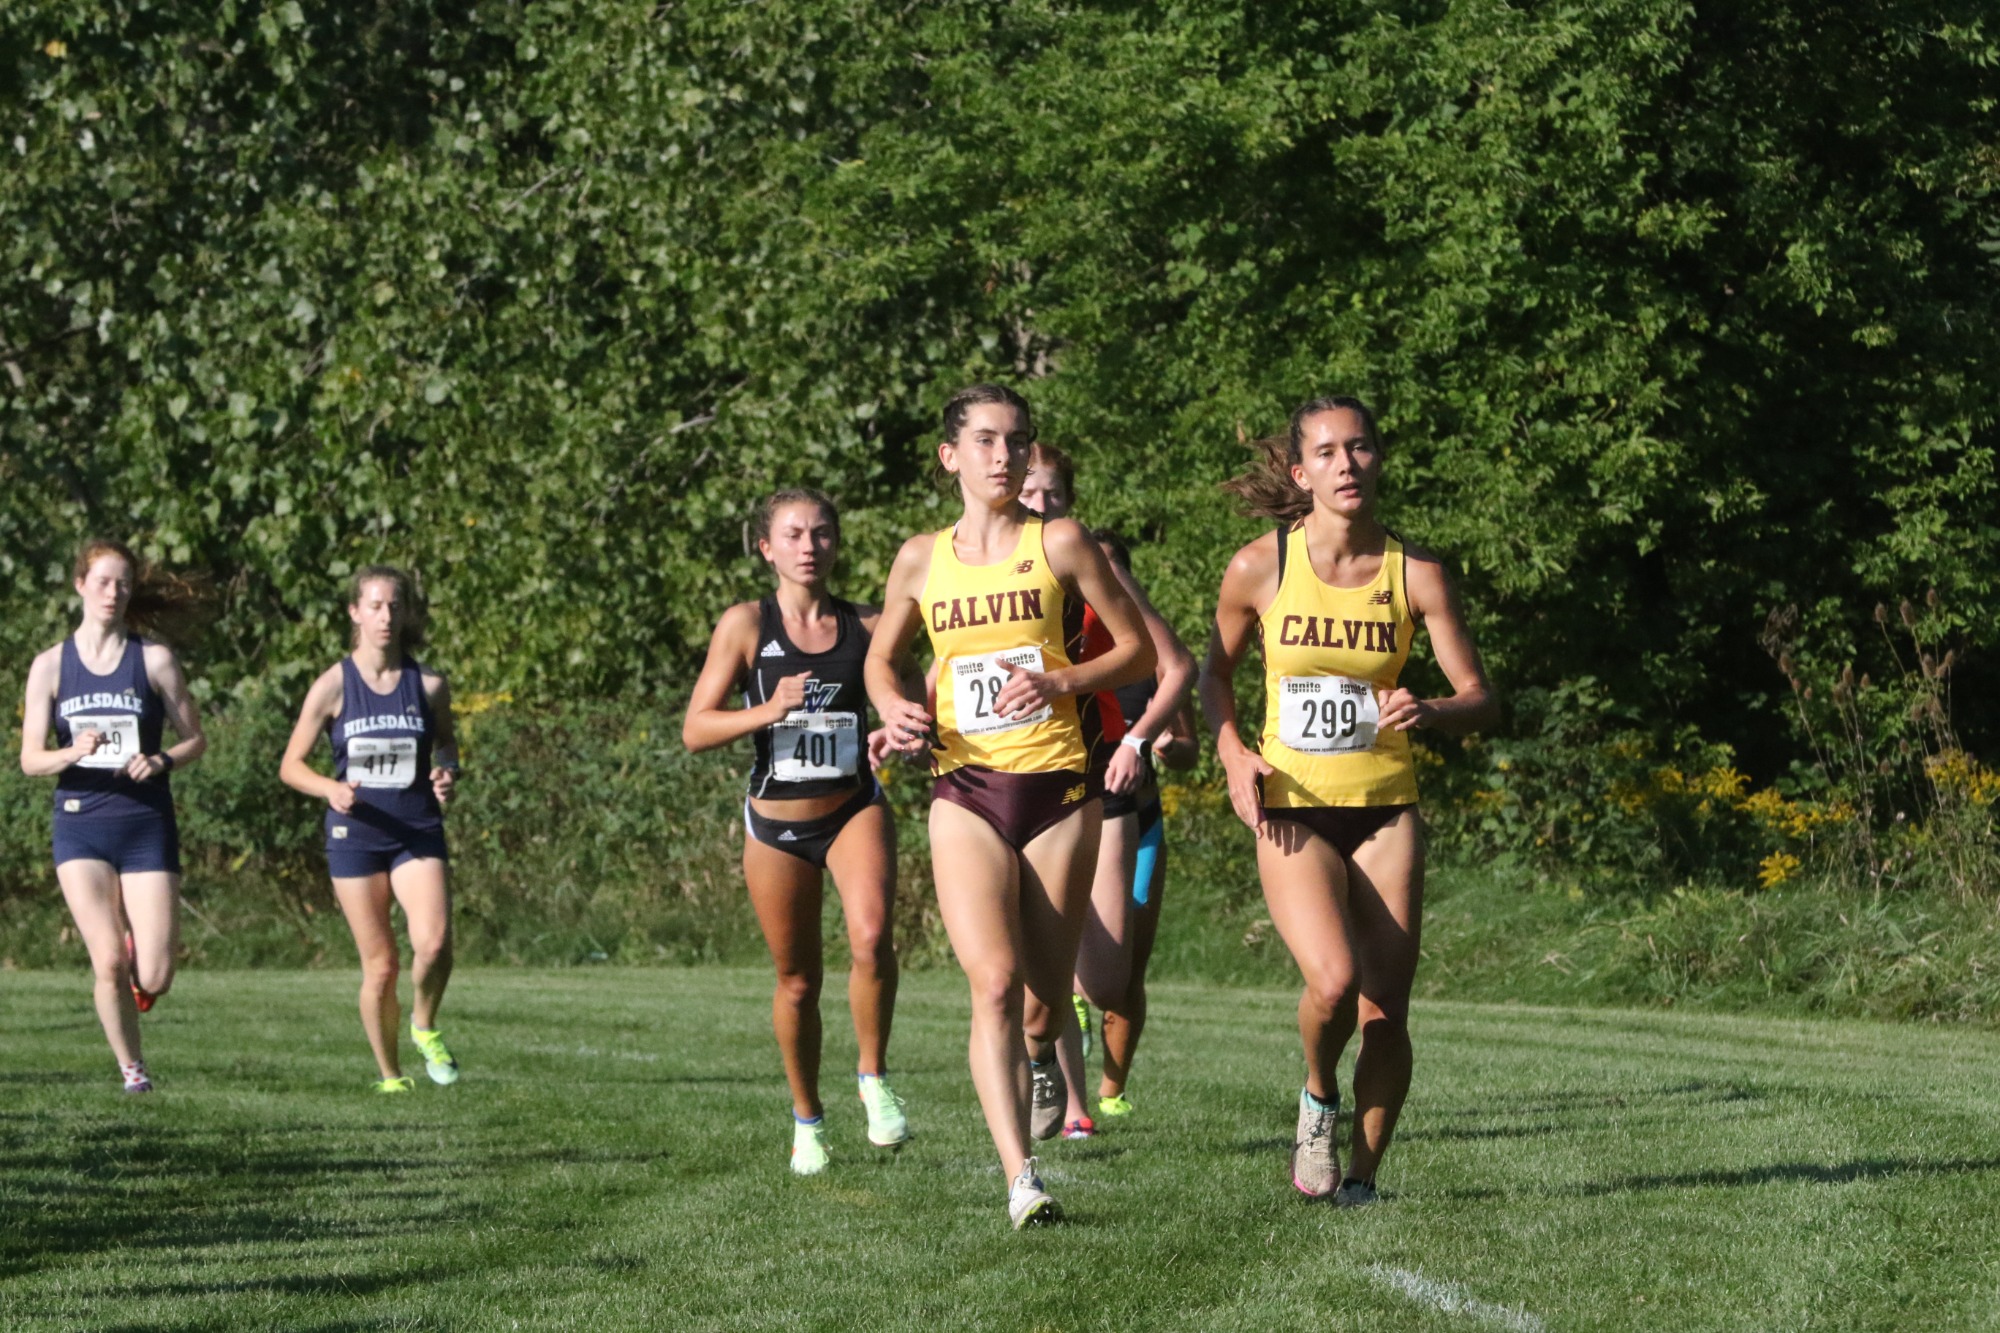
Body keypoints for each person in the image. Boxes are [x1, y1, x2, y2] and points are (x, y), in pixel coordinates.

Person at [866, 384, 1154, 1228]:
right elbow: (883, 661)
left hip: (1062, 789)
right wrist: (893, 707)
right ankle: (1020, 1176)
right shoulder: (921, 558)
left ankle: (1040, 1054)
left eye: (1019, 441)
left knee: (1041, 992)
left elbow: (1134, 645)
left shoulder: (1060, 542)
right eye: (987, 441)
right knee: (990, 982)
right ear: (950, 456)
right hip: (965, 788)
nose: (1006, 456)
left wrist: (1060, 679)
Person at [1199, 397, 1497, 1205]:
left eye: (1360, 448)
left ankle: (1362, 1180)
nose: (1347, 464)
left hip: (1385, 806)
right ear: (1301, 473)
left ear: (1378, 459)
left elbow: (1480, 695)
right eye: (1327, 452)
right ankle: (1317, 1093)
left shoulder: (1418, 572)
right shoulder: (1258, 566)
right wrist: (1231, 751)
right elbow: (1215, 675)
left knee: (1385, 1008)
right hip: (1292, 804)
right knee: (1330, 982)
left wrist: (1431, 708)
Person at [682, 489, 909, 1175]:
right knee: (798, 981)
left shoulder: (868, 622)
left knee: (871, 937)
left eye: (821, 532)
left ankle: (872, 1077)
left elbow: (914, 698)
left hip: (852, 809)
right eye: (793, 534)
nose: (809, 545)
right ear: (767, 547)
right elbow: (696, 728)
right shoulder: (747, 624)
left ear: (837, 543)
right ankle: (807, 1117)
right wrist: (768, 710)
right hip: (776, 825)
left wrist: (896, 730)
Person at [1017, 446, 1199, 1136]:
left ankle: (1071, 1032)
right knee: (1021, 966)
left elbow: (1174, 664)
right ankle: (1059, 1093)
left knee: (1104, 982)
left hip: (1103, 778)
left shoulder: (1095, 561)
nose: (1038, 505)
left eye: (1051, 494)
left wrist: (1136, 739)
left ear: (1068, 499)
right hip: (1014, 779)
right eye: (1028, 493)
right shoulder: (973, 566)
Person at [19, 540, 207, 1093]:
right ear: (79, 584)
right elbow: (30, 759)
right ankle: (134, 1073)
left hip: (145, 822)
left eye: (122, 583)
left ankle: (136, 960)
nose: (113, 592)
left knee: (154, 975)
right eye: (102, 581)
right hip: (80, 822)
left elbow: (195, 739)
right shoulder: (51, 666)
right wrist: (70, 752)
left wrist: (162, 758)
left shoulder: (153, 660)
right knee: (106, 961)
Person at [279, 567, 462, 1094]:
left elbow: (446, 747)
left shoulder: (427, 685)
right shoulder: (334, 684)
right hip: (355, 835)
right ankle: (390, 1075)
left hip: (416, 829)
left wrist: (447, 773)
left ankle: (425, 1025)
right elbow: (291, 765)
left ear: (404, 614)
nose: (385, 616)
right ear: (355, 613)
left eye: (394, 606)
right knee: (381, 966)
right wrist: (327, 789)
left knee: (434, 943)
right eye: (375, 606)